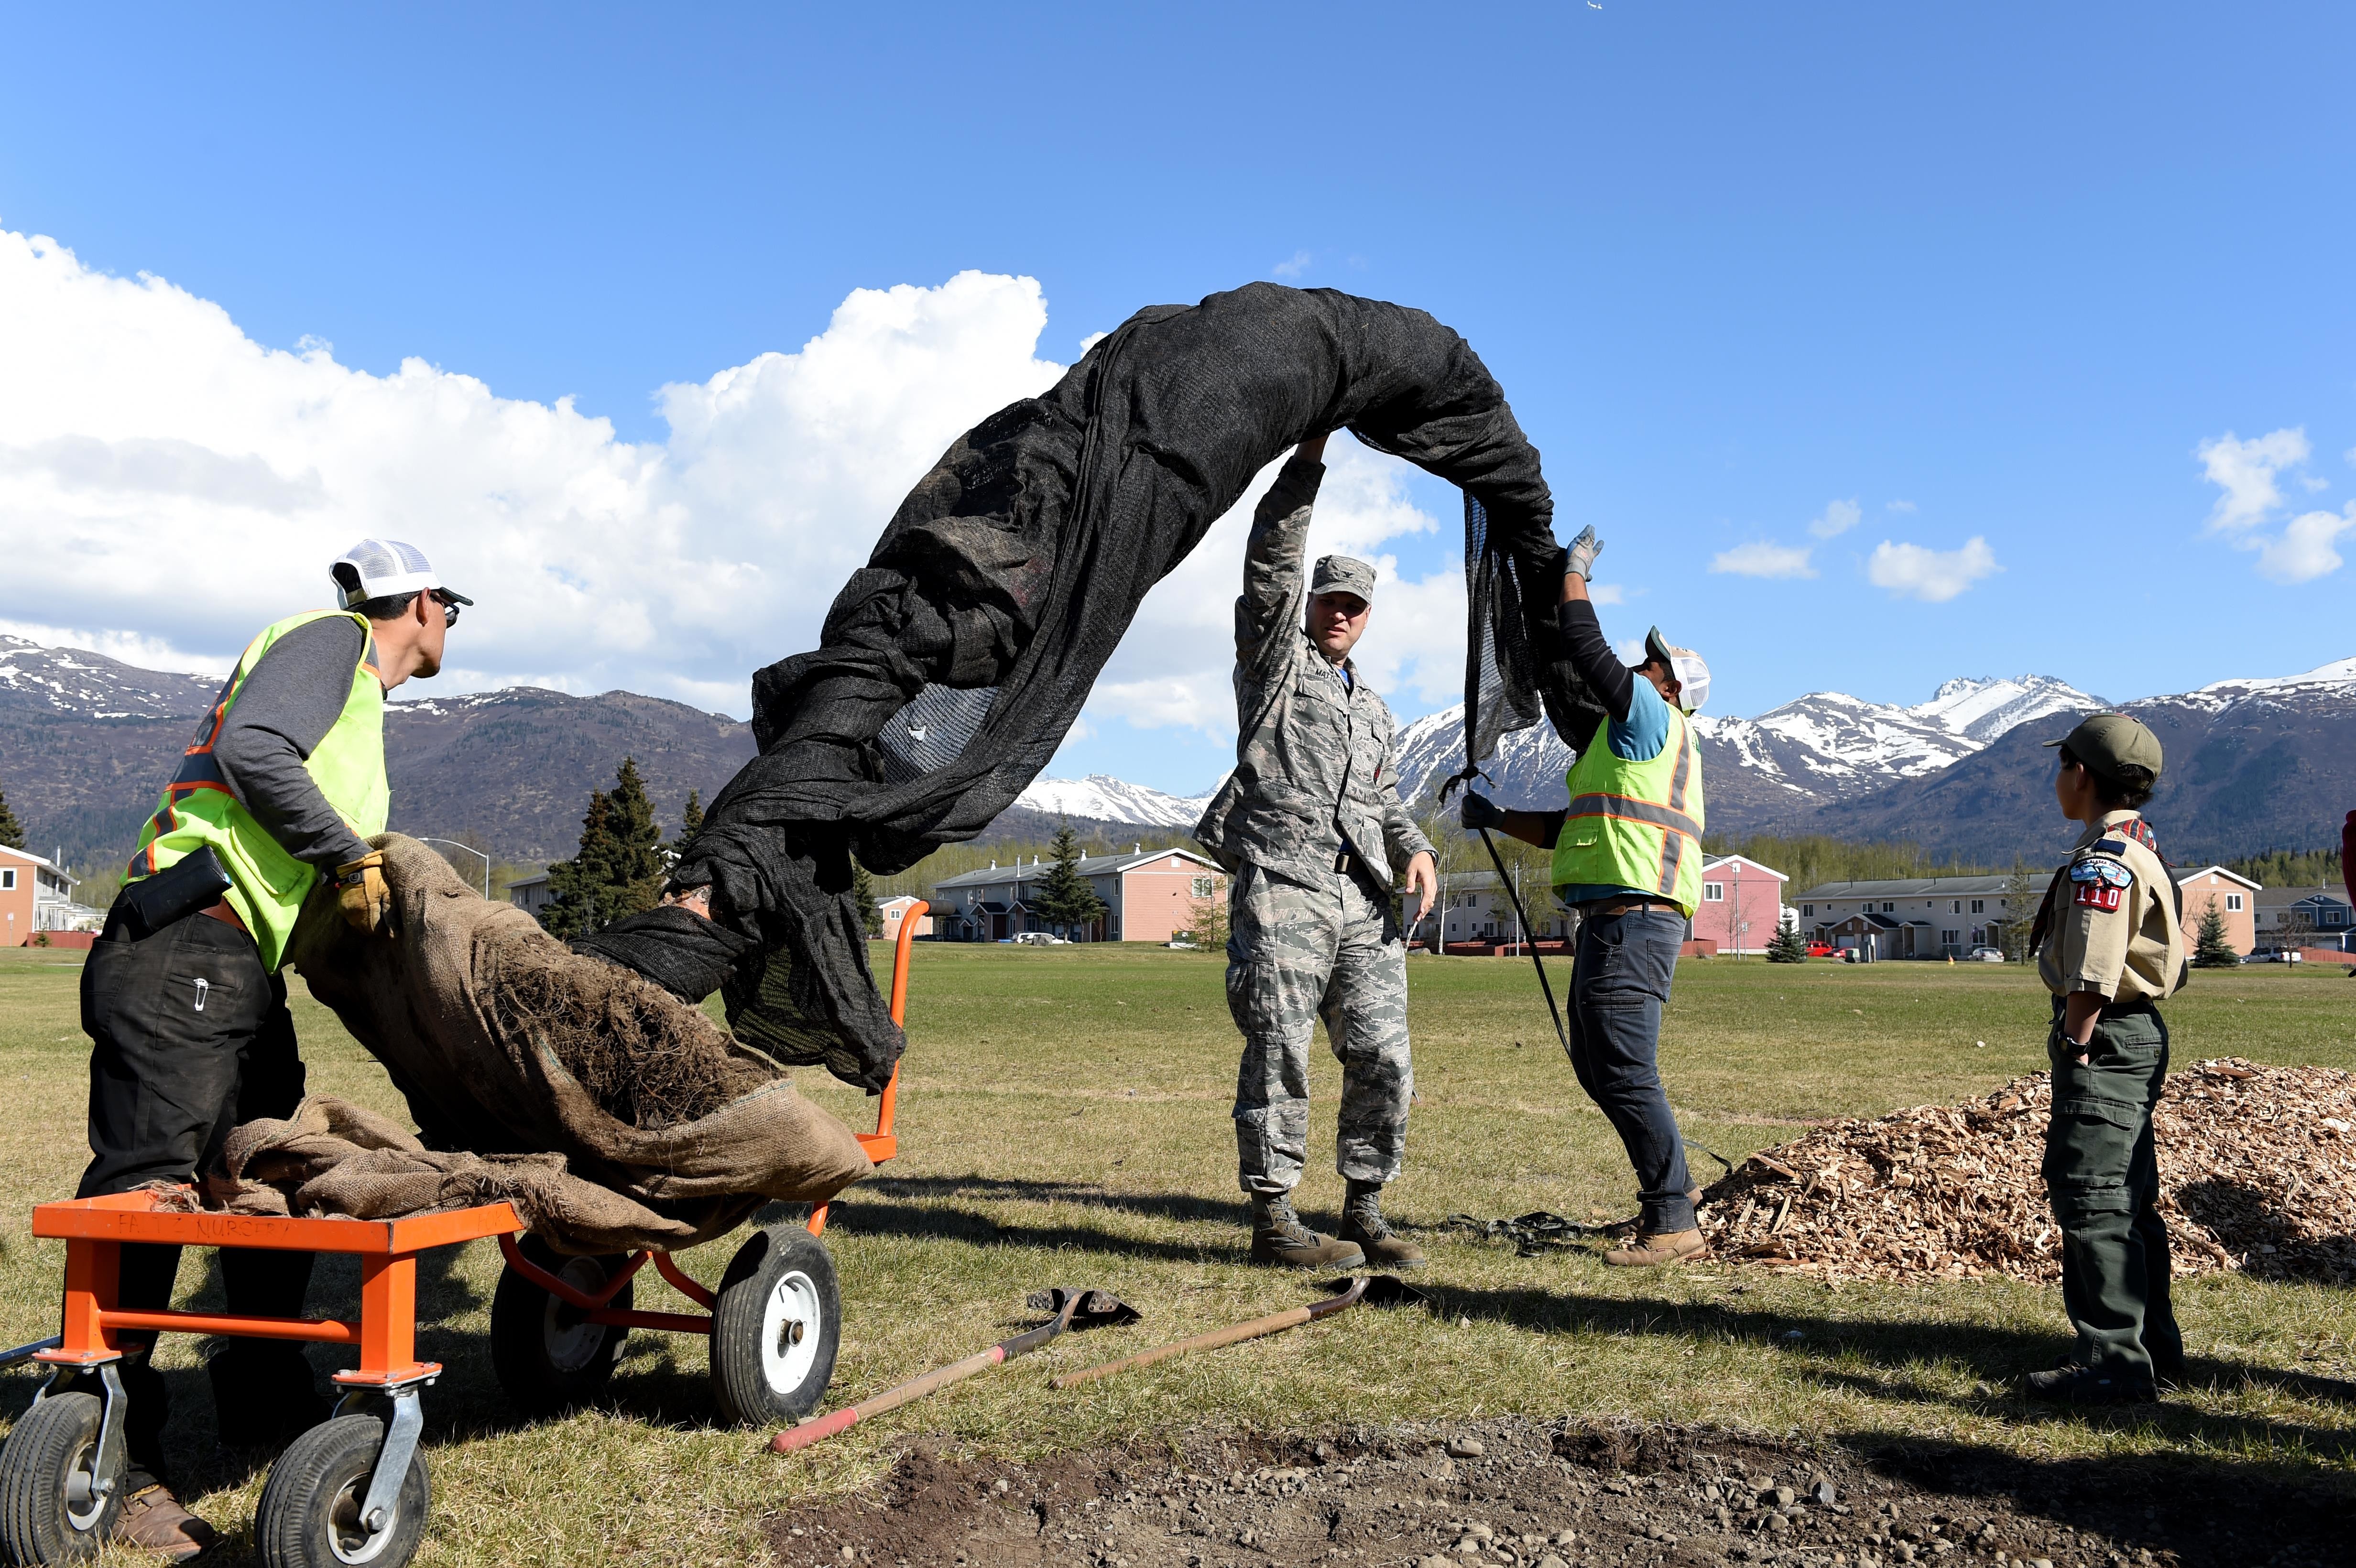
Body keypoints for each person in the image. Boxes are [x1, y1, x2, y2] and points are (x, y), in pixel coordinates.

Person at [76, 539, 467, 1556]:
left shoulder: (357, 700)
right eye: (450, 610)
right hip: (185, 945)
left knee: (260, 1166)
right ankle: (111, 1457)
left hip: (234, 960)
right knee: (145, 1195)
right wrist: (344, 850)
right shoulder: (329, 640)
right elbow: (254, 750)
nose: (448, 630)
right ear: (420, 603)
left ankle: (258, 1398)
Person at [1194, 434, 1440, 1270]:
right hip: (1284, 883)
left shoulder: (1374, 706)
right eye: (1329, 598)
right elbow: (1269, 566)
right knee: (1279, 1048)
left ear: (1370, 617)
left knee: (1384, 1055)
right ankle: (1274, 1221)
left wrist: (1416, 850)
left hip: (1363, 899)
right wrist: (1307, 461)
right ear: (1309, 604)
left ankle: (1365, 1205)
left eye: (1355, 605)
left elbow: (1384, 800)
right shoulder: (1274, 664)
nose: (1339, 612)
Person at [1459, 525, 1712, 1266]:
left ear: (1668, 686)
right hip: (1615, 922)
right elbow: (1574, 825)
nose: (1642, 663)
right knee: (1598, 1068)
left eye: (1653, 662)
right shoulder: (1625, 743)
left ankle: (1673, 1222)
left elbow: (1580, 639)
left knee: (1626, 1069)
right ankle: (1673, 1200)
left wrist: (1576, 574)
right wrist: (1497, 818)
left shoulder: (1646, 717)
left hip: (1634, 921)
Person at [2020, 712, 2187, 1404]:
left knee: (2093, 1197)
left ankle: (2114, 1365)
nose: (2056, 781)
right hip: (2133, 1032)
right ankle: (2153, 1350)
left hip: (2105, 1034)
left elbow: (2091, 970)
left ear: (2081, 775)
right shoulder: (2139, 848)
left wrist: (2074, 1042)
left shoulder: (2102, 863)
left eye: (2060, 767)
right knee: (2128, 1195)